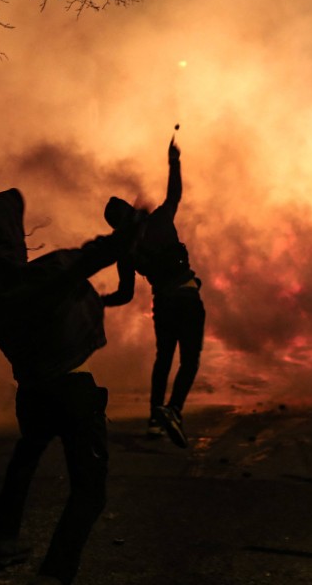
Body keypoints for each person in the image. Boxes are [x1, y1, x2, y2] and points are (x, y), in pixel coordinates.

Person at [0, 188, 144, 585]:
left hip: (31, 393)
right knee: (89, 490)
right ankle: (54, 574)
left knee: (24, 462)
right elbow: (105, 250)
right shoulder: (51, 270)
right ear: (15, 237)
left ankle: (4, 542)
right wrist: (132, 221)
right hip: (72, 391)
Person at [101, 136, 205, 449]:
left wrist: (95, 301)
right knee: (189, 359)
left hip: (163, 305)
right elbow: (175, 194)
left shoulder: (125, 249)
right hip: (186, 298)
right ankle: (172, 410)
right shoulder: (159, 219)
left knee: (164, 359)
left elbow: (124, 294)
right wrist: (174, 161)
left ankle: (154, 420)